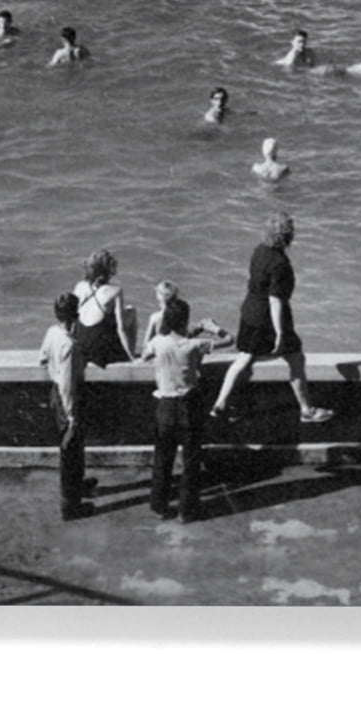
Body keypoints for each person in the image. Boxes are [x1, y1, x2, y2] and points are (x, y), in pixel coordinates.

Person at [207, 210, 332, 427]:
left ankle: (220, 405)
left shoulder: (259, 251)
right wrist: (280, 333)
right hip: (268, 318)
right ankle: (307, 410)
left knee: (244, 359)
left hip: (249, 311)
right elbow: (275, 300)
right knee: (296, 359)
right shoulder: (280, 264)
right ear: (287, 237)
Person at [142, 284, 229, 521]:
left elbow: (144, 355)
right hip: (188, 404)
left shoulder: (159, 342)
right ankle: (186, 510)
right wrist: (213, 328)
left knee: (162, 457)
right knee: (191, 460)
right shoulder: (193, 345)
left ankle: (159, 506)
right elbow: (230, 340)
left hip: (164, 405)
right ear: (185, 320)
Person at [39, 293, 94, 520]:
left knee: (71, 450)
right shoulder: (69, 345)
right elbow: (67, 386)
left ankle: (77, 487)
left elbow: (42, 358)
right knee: (70, 450)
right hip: (68, 399)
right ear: (76, 316)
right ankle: (70, 506)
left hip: (55, 395)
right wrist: (72, 418)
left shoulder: (52, 333)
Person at [71, 249, 135, 368]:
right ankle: (130, 354)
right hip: (99, 352)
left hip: (81, 348)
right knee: (131, 312)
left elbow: (72, 318)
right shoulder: (115, 291)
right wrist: (131, 357)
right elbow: (121, 329)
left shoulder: (80, 286)